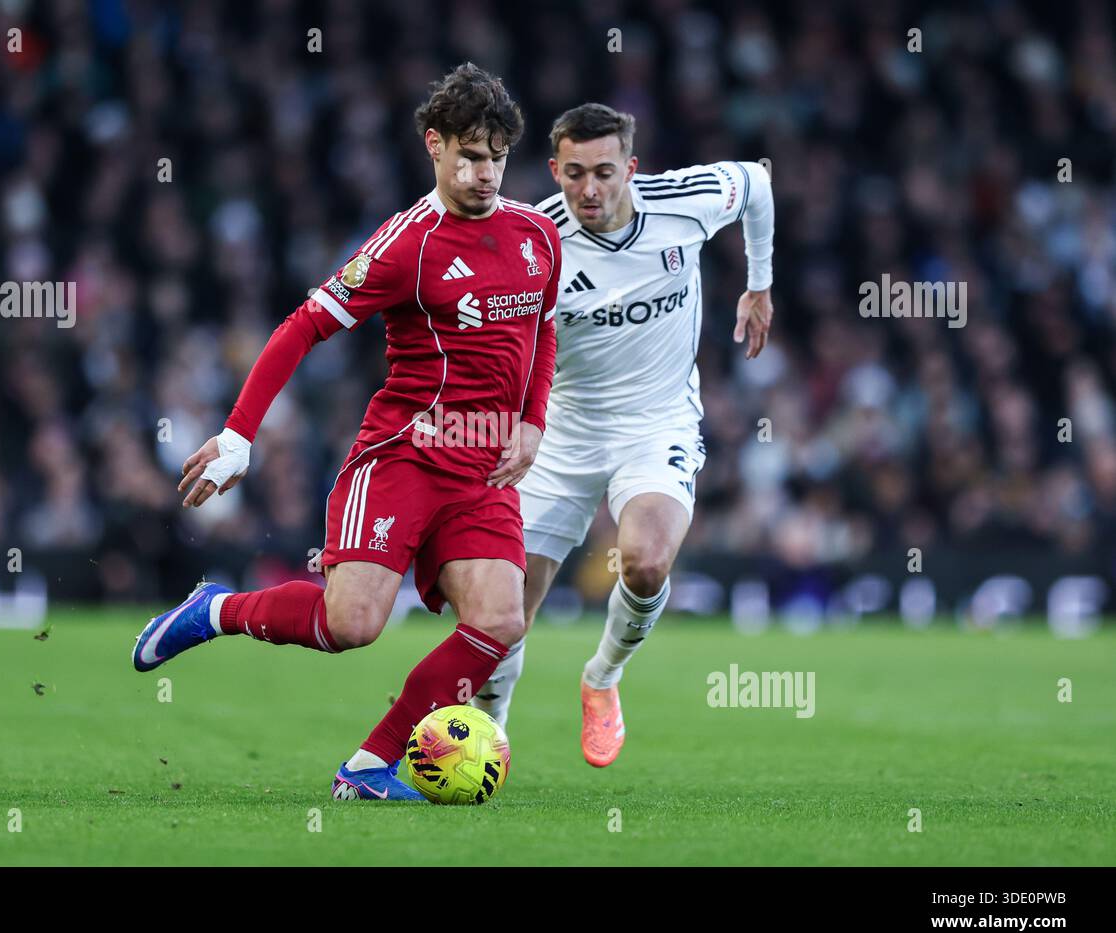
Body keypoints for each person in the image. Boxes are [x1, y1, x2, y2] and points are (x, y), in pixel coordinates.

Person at [130, 63, 561, 800]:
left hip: (485, 469)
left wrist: (532, 421)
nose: (485, 172)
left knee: (499, 621)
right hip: (405, 458)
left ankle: (369, 766)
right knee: (353, 624)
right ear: (434, 145)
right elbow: (303, 327)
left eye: (496, 157)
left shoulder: (537, 236)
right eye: (470, 155)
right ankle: (216, 610)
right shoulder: (407, 244)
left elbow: (545, 330)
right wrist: (239, 435)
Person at [472, 103, 774, 766]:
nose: (589, 189)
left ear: (630, 169)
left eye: (604, 173)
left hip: (656, 421)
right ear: (554, 170)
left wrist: (759, 284)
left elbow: (756, 181)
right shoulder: (532, 240)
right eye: (574, 173)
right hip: (560, 433)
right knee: (502, 610)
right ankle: (488, 730)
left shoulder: (685, 201)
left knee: (645, 560)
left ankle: (602, 677)